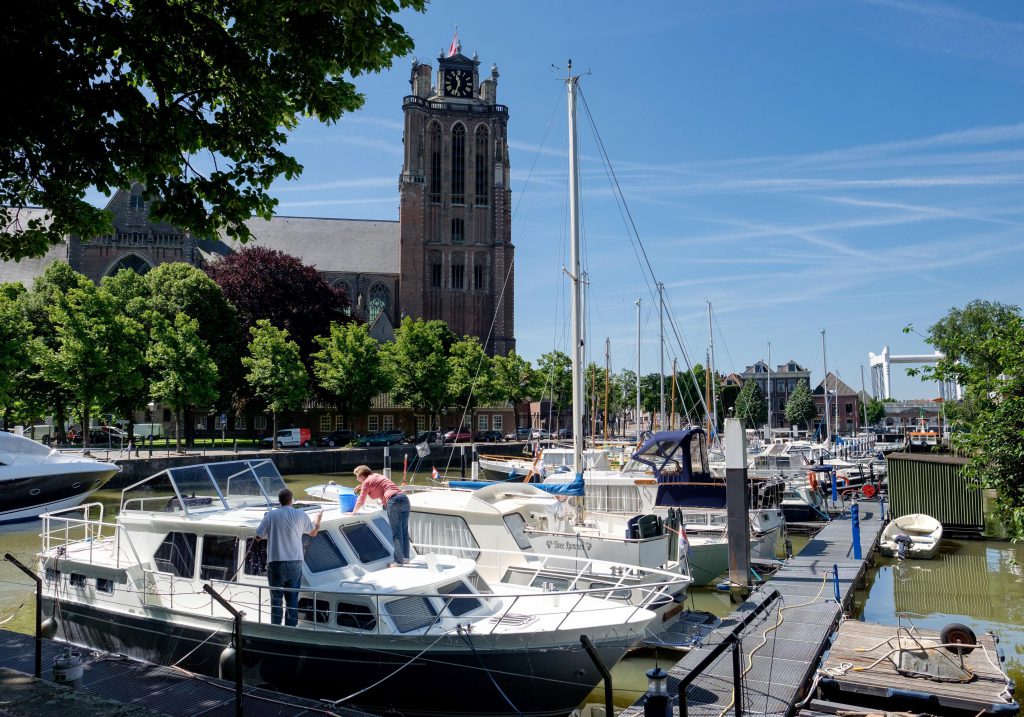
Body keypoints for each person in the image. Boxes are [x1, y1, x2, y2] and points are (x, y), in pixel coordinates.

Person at [256, 488, 322, 626]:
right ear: (291, 500)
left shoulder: (270, 515)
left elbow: (258, 536)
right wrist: (317, 519)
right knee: (292, 598)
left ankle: (276, 627)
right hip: (295, 562)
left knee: (276, 599)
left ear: (279, 500)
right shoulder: (300, 514)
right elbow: (313, 532)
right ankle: (291, 628)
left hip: (275, 562)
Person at [352, 464, 410, 566]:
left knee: (397, 533)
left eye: (357, 477)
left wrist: (354, 512)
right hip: (404, 498)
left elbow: (361, 500)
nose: (357, 479)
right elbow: (377, 491)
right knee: (404, 531)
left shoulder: (366, 482)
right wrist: (362, 487)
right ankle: (405, 558)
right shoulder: (378, 476)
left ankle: (398, 561)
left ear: (361, 475)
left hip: (394, 501)